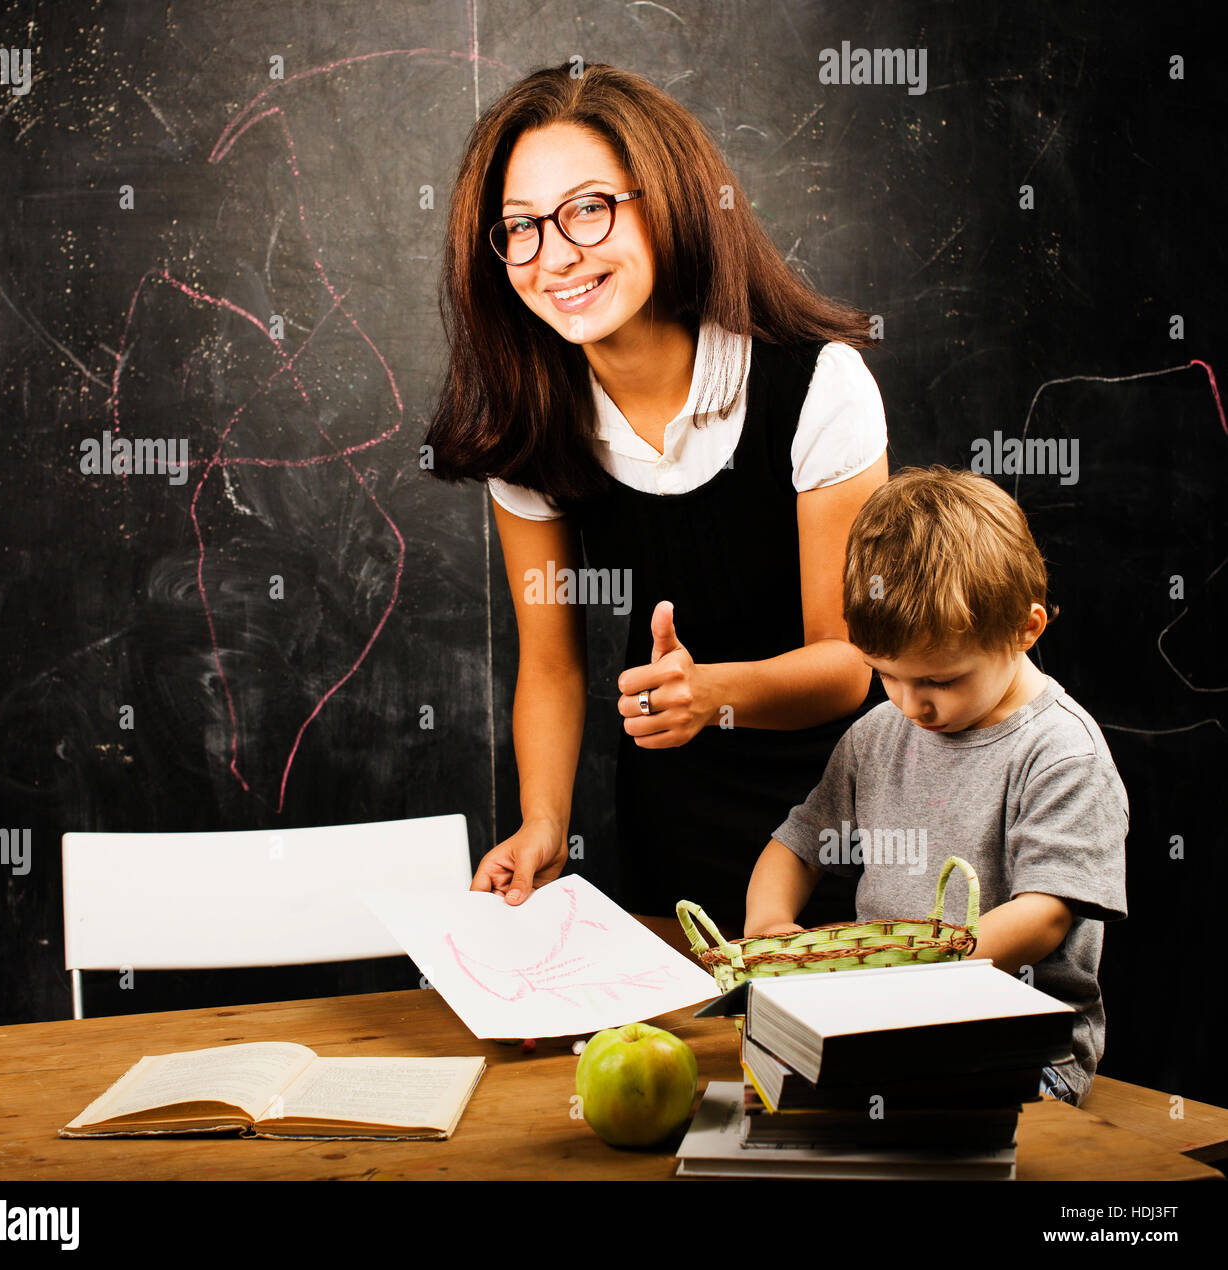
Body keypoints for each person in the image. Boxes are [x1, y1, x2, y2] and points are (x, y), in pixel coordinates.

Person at [425, 62, 889, 930]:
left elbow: (848, 664)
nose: (554, 255)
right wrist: (544, 824)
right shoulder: (532, 430)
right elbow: (555, 666)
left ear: (668, 198)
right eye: (520, 227)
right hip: (669, 826)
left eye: (589, 208)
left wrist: (714, 693)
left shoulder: (819, 386)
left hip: (841, 818)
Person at [745, 467, 1129, 1103]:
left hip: (1019, 1047)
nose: (909, 704)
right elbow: (799, 844)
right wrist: (767, 923)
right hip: (876, 1024)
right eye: (886, 676)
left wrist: (907, 979)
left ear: (1024, 630)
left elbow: (1044, 916)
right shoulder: (876, 735)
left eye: (940, 682)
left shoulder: (1061, 755)